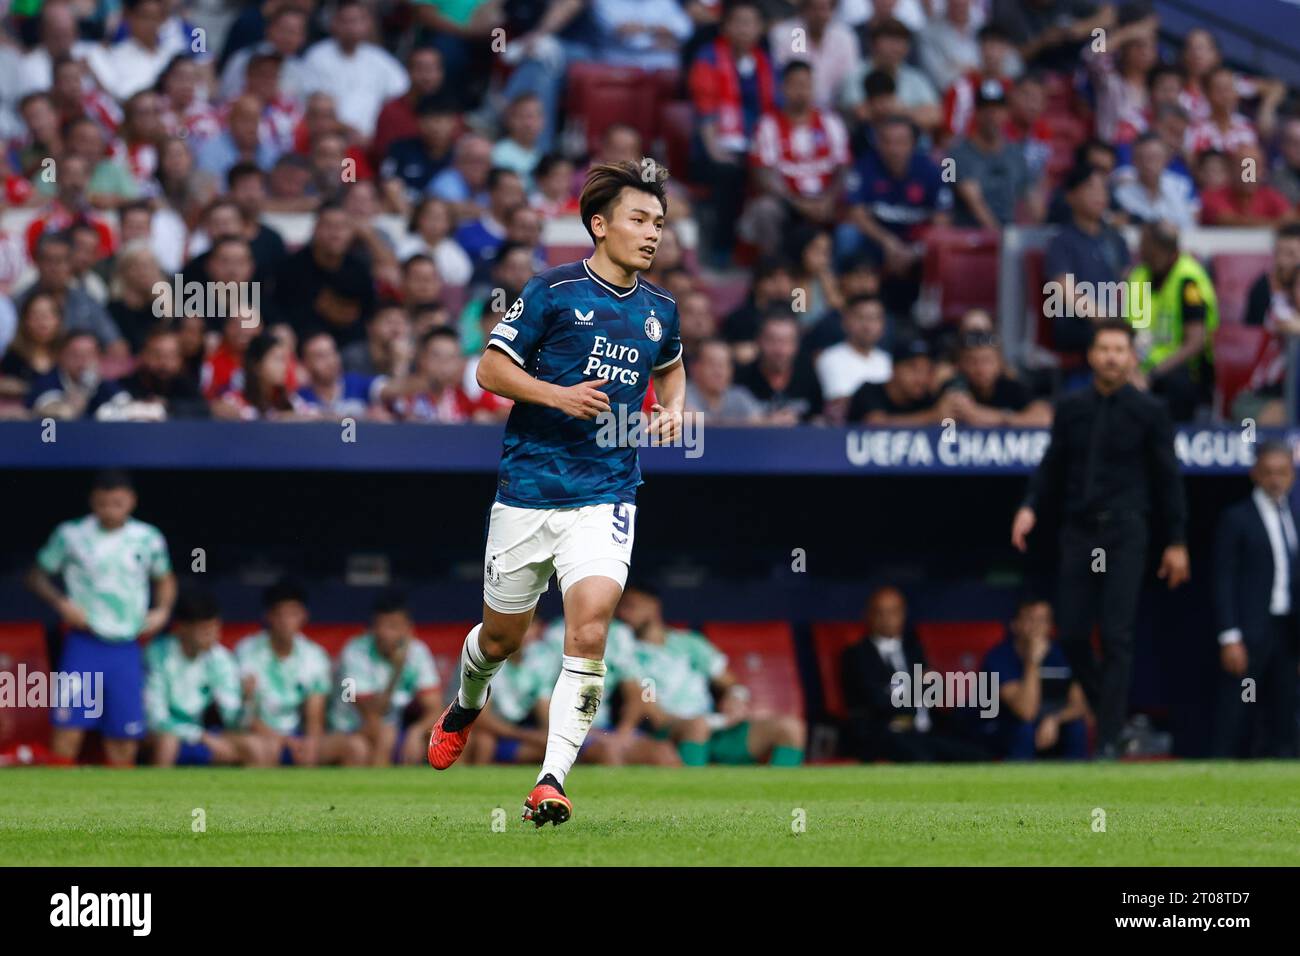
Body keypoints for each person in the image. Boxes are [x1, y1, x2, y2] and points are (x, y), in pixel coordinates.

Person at [426, 159, 685, 828]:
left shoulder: (660, 311)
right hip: (529, 490)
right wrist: (557, 394)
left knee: (590, 627)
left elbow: (672, 364)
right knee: (502, 639)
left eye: (658, 222)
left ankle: (552, 781)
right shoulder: (551, 291)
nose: (652, 233)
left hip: (607, 492)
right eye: (638, 219)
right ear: (599, 225)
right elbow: (488, 369)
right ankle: (465, 703)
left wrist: (675, 407)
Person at [1012, 319, 1190, 757]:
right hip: (1079, 530)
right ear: (1091, 355)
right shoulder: (1070, 407)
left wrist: (1177, 540)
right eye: (1104, 349)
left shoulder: (1150, 411)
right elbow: (1051, 465)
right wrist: (1029, 506)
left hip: (1126, 529)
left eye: (1119, 350)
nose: (1111, 357)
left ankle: (1108, 738)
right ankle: (1114, 716)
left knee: (1116, 635)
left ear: (1131, 357)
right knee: (1071, 631)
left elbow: (1169, 480)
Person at [24, 470, 176, 766]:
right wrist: (61, 603)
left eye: (117, 504)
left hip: (127, 647)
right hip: (84, 644)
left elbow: (165, 578)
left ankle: (121, 811)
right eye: (103, 504)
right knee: (68, 733)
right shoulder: (71, 534)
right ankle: (54, 809)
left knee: (124, 740)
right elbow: (36, 576)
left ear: (131, 501)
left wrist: (163, 610)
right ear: (93, 501)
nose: (110, 511)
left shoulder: (148, 538)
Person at [618, 582, 805, 767]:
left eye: (630, 605)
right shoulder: (627, 652)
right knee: (697, 727)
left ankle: (773, 795)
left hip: (715, 728)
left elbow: (731, 683)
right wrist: (692, 724)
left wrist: (735, 700)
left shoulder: (689, 643)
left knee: (790, 728)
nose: (623, 614)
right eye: (620, 607)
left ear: (653, 605)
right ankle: (689, 794)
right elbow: (655, 715)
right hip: (672, 733)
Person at [1212, 441, 1299, 758]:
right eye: (1269, 473)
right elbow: (1223, 580)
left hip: (1287, 631)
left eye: (1283, 473)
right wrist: (1230, 635)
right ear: (1255, 475)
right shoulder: (1237, 519)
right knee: (1237, 709)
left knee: (1284, 711)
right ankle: (1217, 775)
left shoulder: (1294, 517)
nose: (1276, 480)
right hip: (1249, 632)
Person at [840, 585, 987, 762]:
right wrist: (917, 685)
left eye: (893, 612)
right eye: (880, 612)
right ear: (869, 615)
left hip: (925, 730)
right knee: (922, 759)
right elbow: (878, 701)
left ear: (903, 614)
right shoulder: (857, 655)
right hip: (886, 734)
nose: (887, 619)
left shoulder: (913, 649)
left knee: (976, 757)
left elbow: (932, 691)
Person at [235, 579, 369, 767]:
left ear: (304, 616)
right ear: (268, 617)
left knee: (356, 746)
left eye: (293, 614)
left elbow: (315, 715)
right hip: (261, 734)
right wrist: (282, 740)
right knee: (264, 748)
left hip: (299, 735)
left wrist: (310, 742)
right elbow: (248, 715)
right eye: (280, 614)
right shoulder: (247, 652)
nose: (286, 622)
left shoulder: (314, 656)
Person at [144, 586, 265, 766]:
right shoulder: (157, 655)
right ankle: (157, 794)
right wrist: (201, 737)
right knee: (167, 742)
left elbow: (233, 721)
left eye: (215, 628)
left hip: (205, 734)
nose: (212, 636)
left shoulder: (220, 658)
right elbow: (156, 719)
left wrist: (247, 700)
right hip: (160, 735)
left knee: (255, 745)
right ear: (182, 628)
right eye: (204, 630)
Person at [330, 590, 442, 766]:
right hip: (346, 727)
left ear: (408, 629)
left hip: (388, 727)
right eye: (379, 625)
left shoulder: (418, 652)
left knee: (426, 740)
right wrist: (397, 671)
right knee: (373, 741)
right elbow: (373, 712)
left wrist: (417, 730)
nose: (384, 633)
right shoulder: (354, 652)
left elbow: (436, 708)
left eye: (392, 626)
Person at [1125, 221, 1218, 422]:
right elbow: (1129, 331)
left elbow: (1195, 342)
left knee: (1176, 385)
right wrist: (1130, 369)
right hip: (1141, 364)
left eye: (1145, 246)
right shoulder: (1138, 274)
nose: (1140, 250)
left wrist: (1151, 376)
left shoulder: (1189, 280)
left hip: (1182, 370)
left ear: (1164, 250)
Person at [981, 598, 1090, 760]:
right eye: (1030, 620)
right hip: (999, 726)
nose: (1037, 627)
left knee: (1076, 726)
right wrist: (1033, 662)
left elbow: (1080, 706)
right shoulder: (999, 657)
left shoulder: (1057, 655)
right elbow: (1026, 712)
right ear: (1015, 625)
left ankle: (1077, 781)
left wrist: (1055, 719)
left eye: (1043, 620)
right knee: (1024, 728)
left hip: (1045, 723)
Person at [815, 293, 891, 423]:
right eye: (861, 317)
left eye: (875, 318)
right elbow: (840, 405)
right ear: (846, 321)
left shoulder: (886, 359)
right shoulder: (830, 358)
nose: (868, 326)